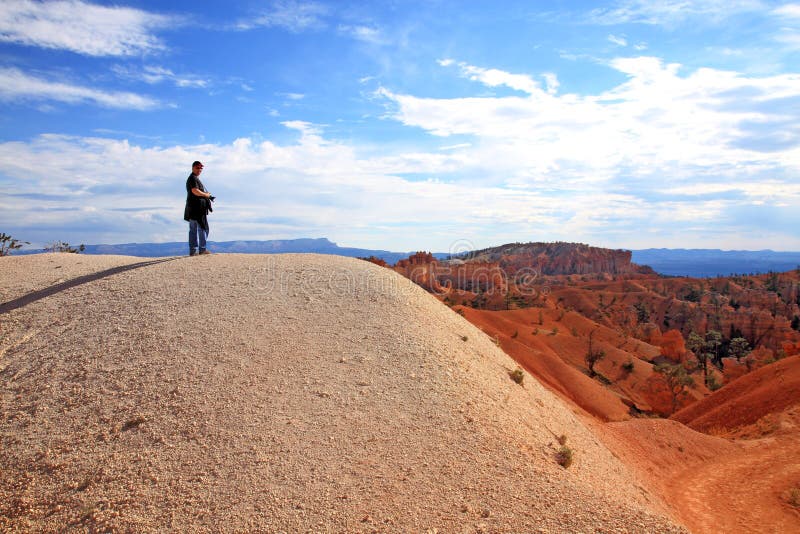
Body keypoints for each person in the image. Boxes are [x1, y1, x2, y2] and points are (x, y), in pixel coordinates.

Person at [183, 160, 215, 256]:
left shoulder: (194, 178)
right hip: (197, 209)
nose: (199, 170)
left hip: (193, 208)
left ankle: (193, 251)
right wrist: (206, 195)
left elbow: (195, 191)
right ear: (193, 168)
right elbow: (195, 191)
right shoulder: (193, 178)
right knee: (203, 228)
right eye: (197, 168)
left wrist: (207, 196)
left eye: (200, 168)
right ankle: (202, 250)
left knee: (194, 229)